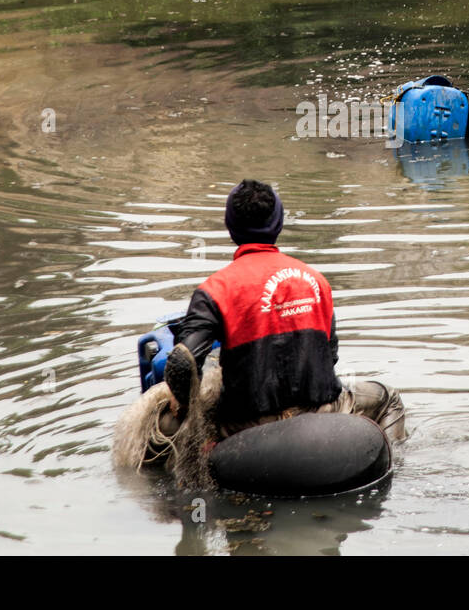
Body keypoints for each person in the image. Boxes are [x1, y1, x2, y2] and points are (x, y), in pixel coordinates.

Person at [159, 179, 405, 443]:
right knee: (388, 398)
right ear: (278, 224)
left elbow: (182, 363)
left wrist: (182, 403)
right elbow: (330, 356)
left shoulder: (214, 290)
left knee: (163, 422)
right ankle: (391, 461)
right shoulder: (316, 280)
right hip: (323, 414)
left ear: (231, 228)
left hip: (245, 427)